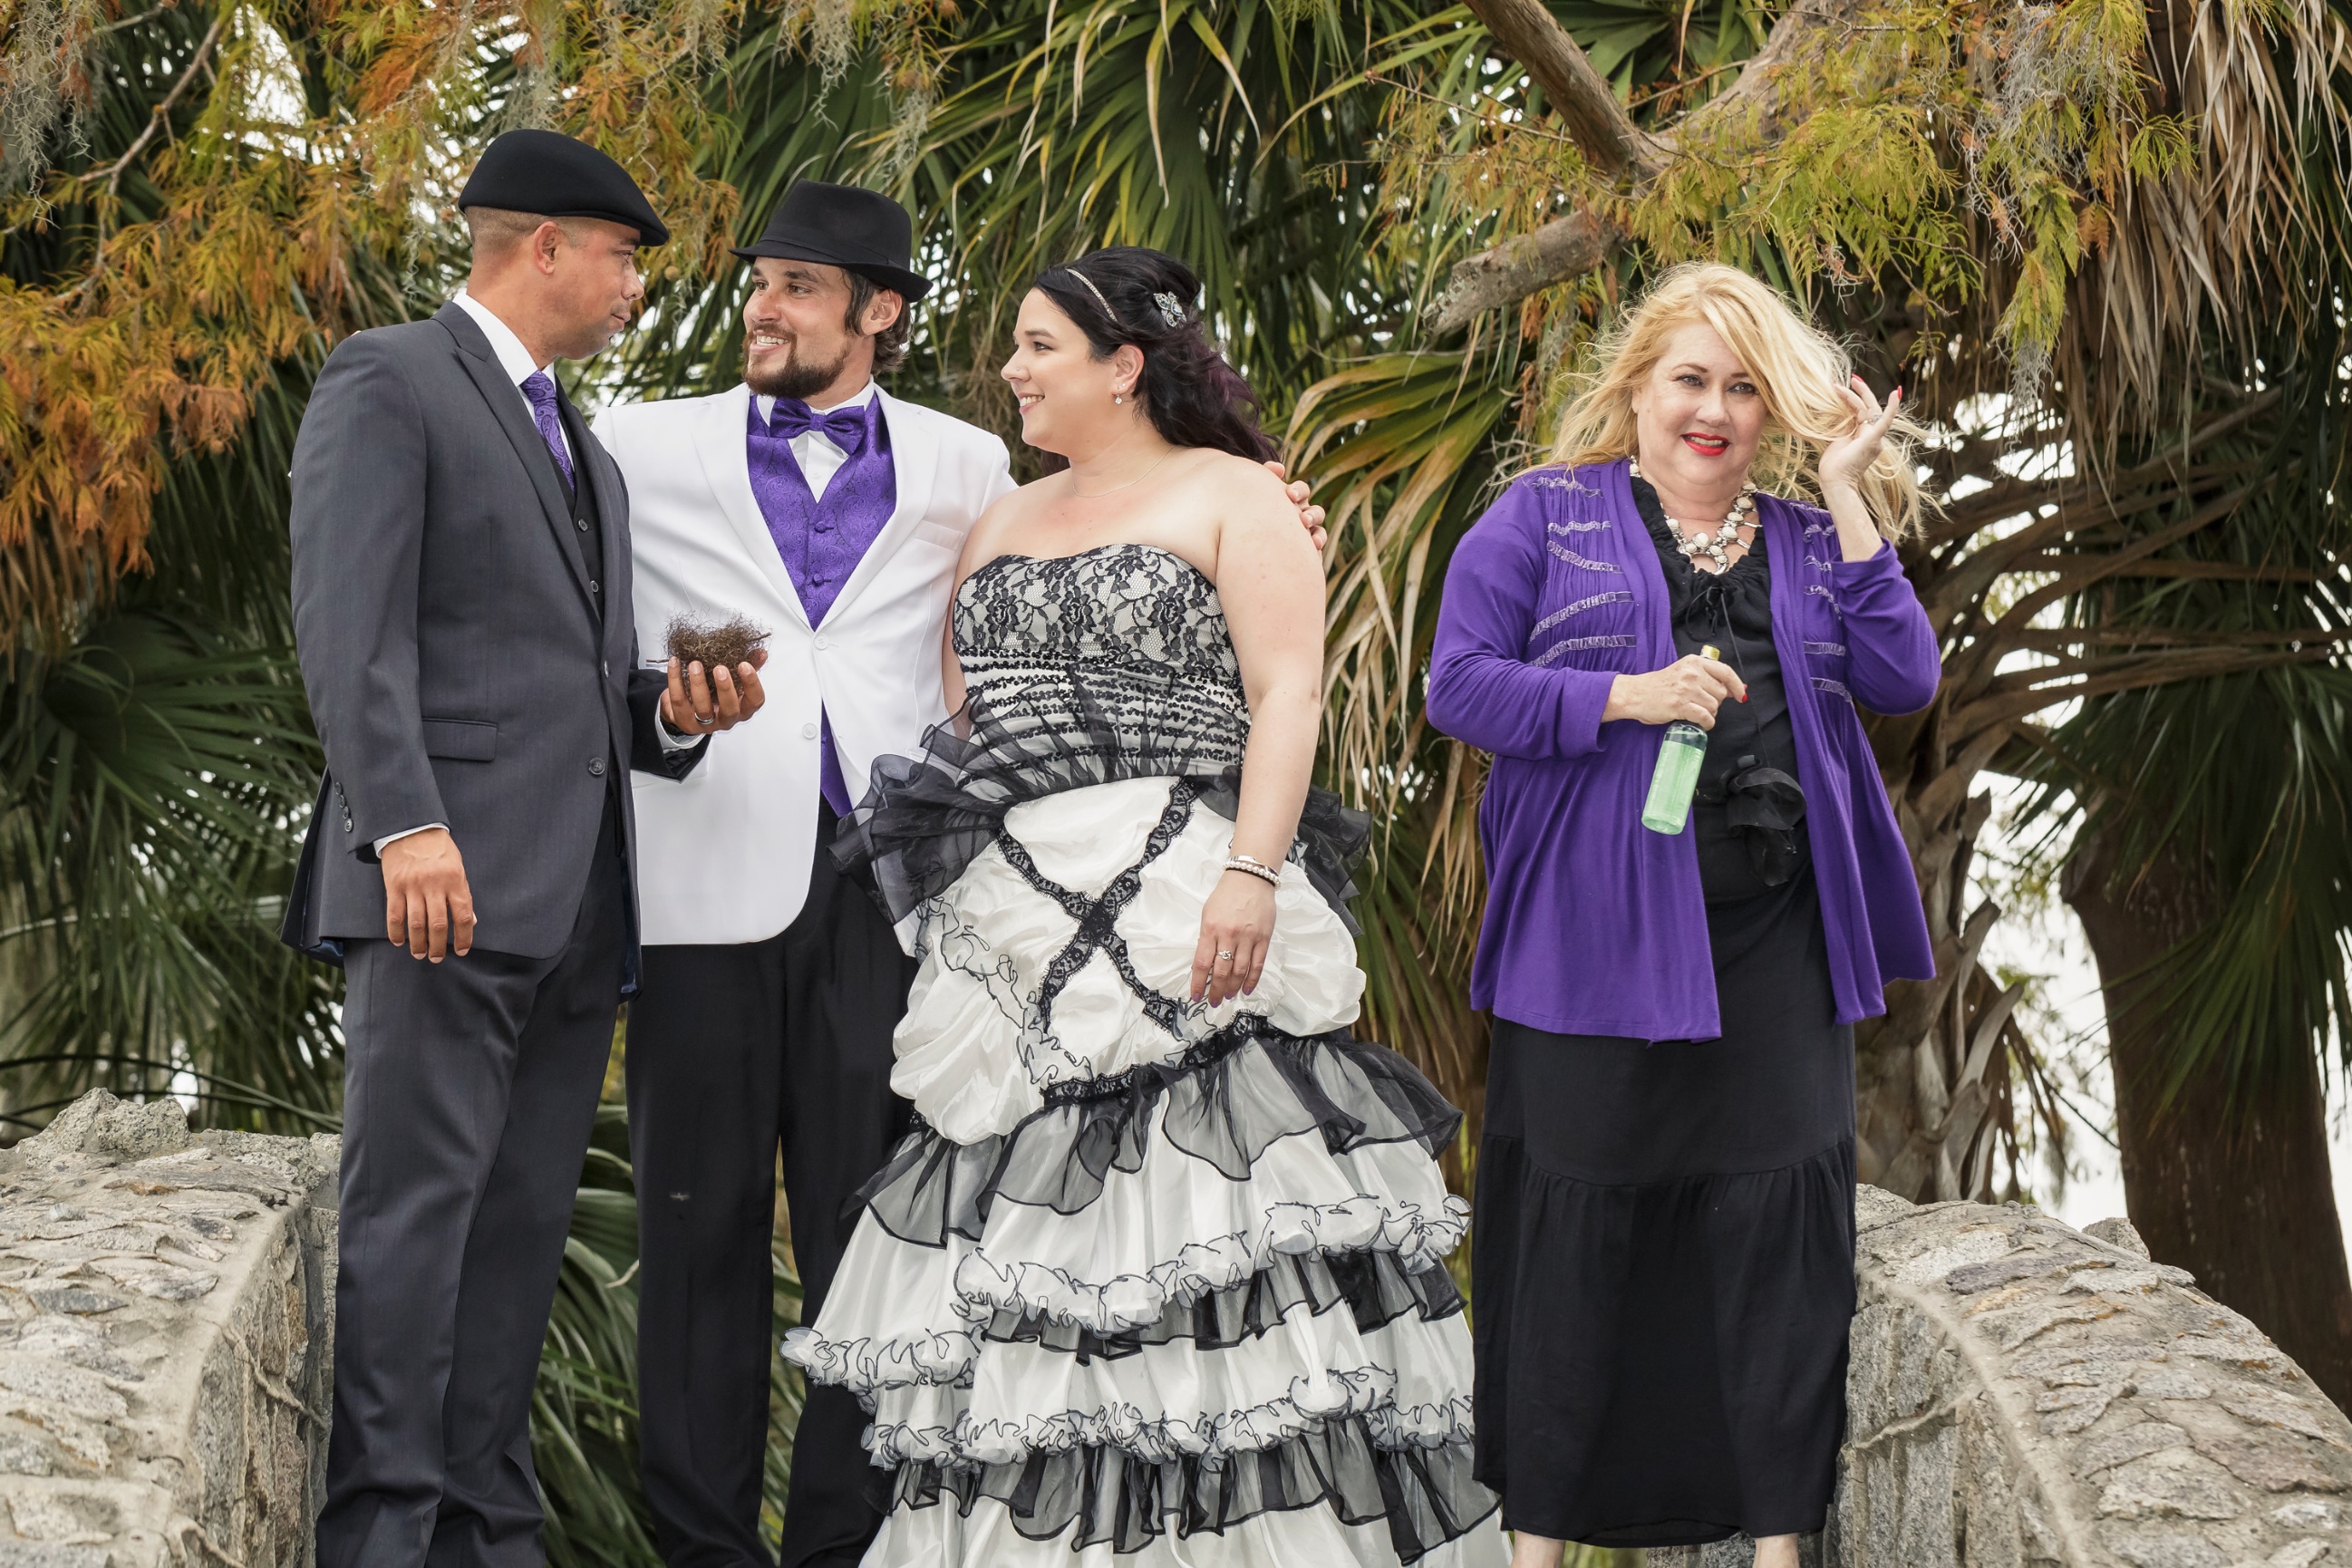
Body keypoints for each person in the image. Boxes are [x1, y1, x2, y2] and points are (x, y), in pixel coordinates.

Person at [596, 188, 1329, 1568]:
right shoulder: (632, 448)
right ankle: (698, 1551)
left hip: (904, 904)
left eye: (799, 285)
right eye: (758, 282)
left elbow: (1141, 542)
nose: (763, 305)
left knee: (883, 1246)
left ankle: (843, 1547)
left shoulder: (969, 467)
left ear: (878, 310)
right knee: (693, 1245)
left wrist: (1270, 507)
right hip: (702, 893)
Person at [780, 246, 1506, 1567]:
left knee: (1210, 1226)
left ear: (1123, 366)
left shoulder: (1239, 496)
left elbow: (1289, 692)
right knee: (1027, 1249)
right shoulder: (996, 516)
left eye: (1039, 346)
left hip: (1186, 879)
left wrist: (1250, 872)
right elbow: (963, 712)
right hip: (1016, 924)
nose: (1012, 369)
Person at [284, 129, 768, 1567]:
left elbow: (572, 689)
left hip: (571, 919)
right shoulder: (389, 379)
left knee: (510, 1255)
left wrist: (671, 708)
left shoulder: (591, 458)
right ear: (541, 246)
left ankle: (486, 1543)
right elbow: (347, 631)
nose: (634, 286)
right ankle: (379, 1542)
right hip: (436, 897)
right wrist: (408, 826)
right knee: (409, 1236)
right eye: (622, 257)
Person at [1423, 262, 1940, 1567]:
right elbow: (1461, 687)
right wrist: (1623, 699)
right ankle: (1537, 1551)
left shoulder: (1815, 539)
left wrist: (1845, 491)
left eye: (1744, 389)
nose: (1714, 411)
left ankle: (1775, 1552)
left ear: (1773, 412)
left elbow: (1903, 673)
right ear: (1637, 387)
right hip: (1590, 941)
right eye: (1690, 381)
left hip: (1776, 944)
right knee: (1577, 1237)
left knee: (1777, 1237)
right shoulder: (1544, 516)